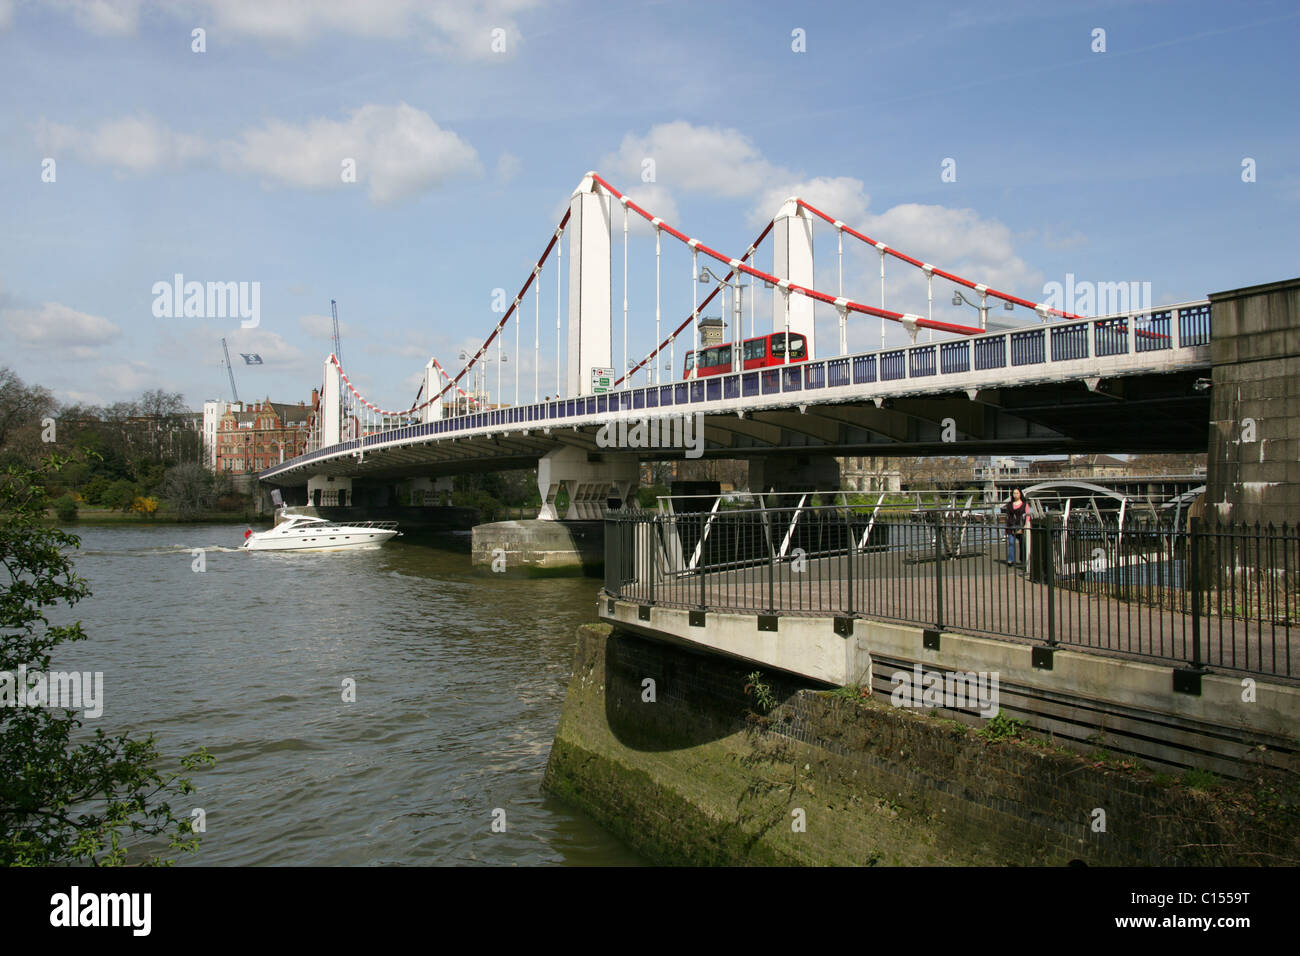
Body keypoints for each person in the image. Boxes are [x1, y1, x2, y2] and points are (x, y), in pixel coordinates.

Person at [1003, 489, 1029, 566]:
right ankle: (1010, 559)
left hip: (1021, 526)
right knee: (1011, 543)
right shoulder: (1009, 504)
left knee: (1022, 544)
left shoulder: (1024, 504)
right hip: (1011, 526)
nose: (1015, 495)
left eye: (1017, 493)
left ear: (1020, 494)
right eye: (1014, 493)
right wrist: (1006, 527)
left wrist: (1026, 524)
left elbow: (1027, 515)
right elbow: (1007, 516)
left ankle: (1022, 559)